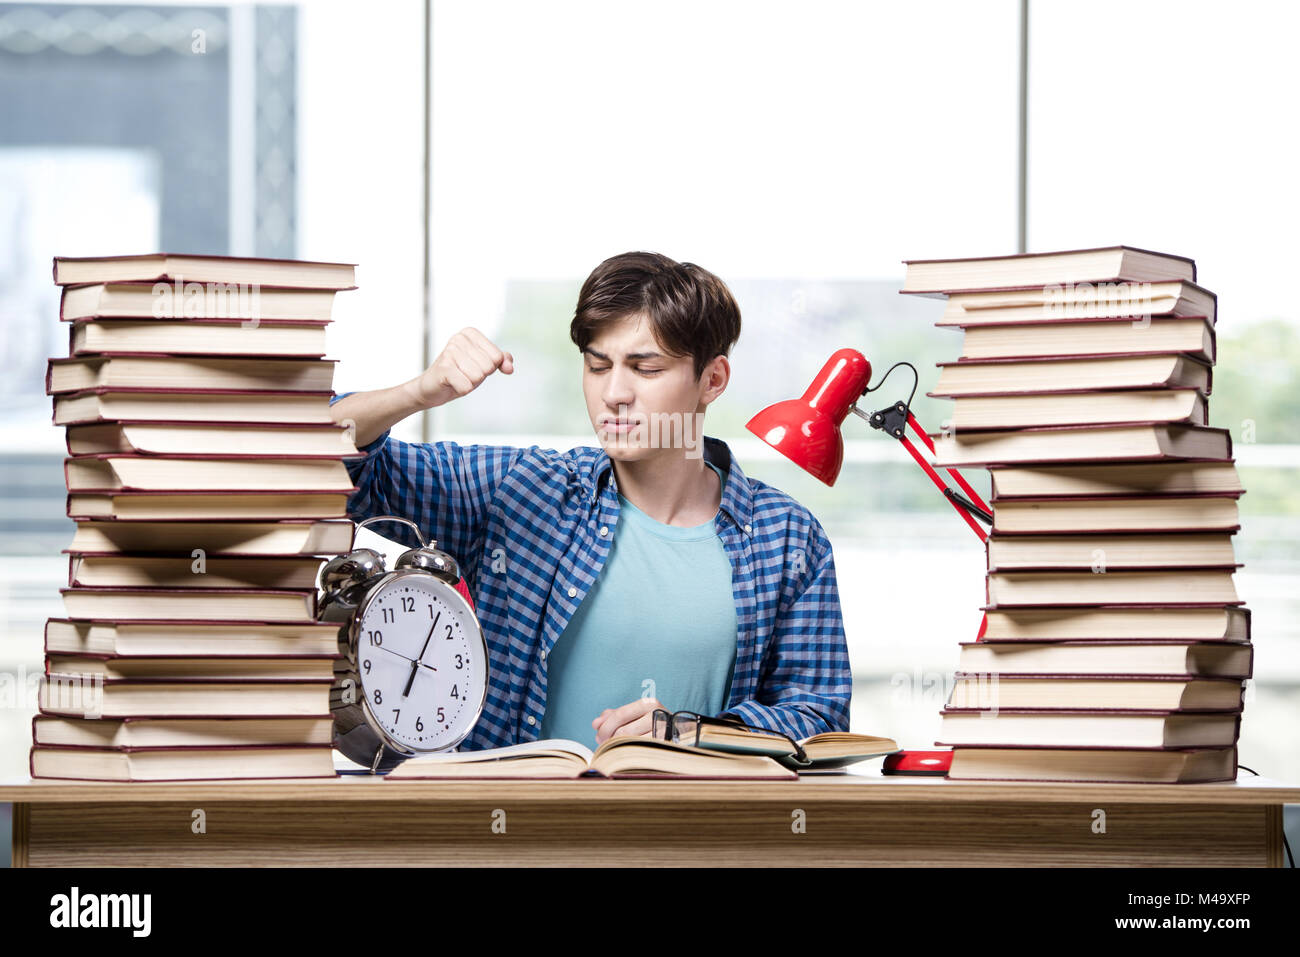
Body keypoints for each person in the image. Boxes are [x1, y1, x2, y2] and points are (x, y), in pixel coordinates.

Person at [328, 250, 851, 752]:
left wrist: (691, 732)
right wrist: (420, 392)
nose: (614, 393)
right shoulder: (520, 490)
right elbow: (325, 457)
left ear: (711, 380)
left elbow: (818, 716)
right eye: (598, 366)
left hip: (693, 833)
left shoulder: (786, 538)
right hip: (513, 829)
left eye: (645, 369)